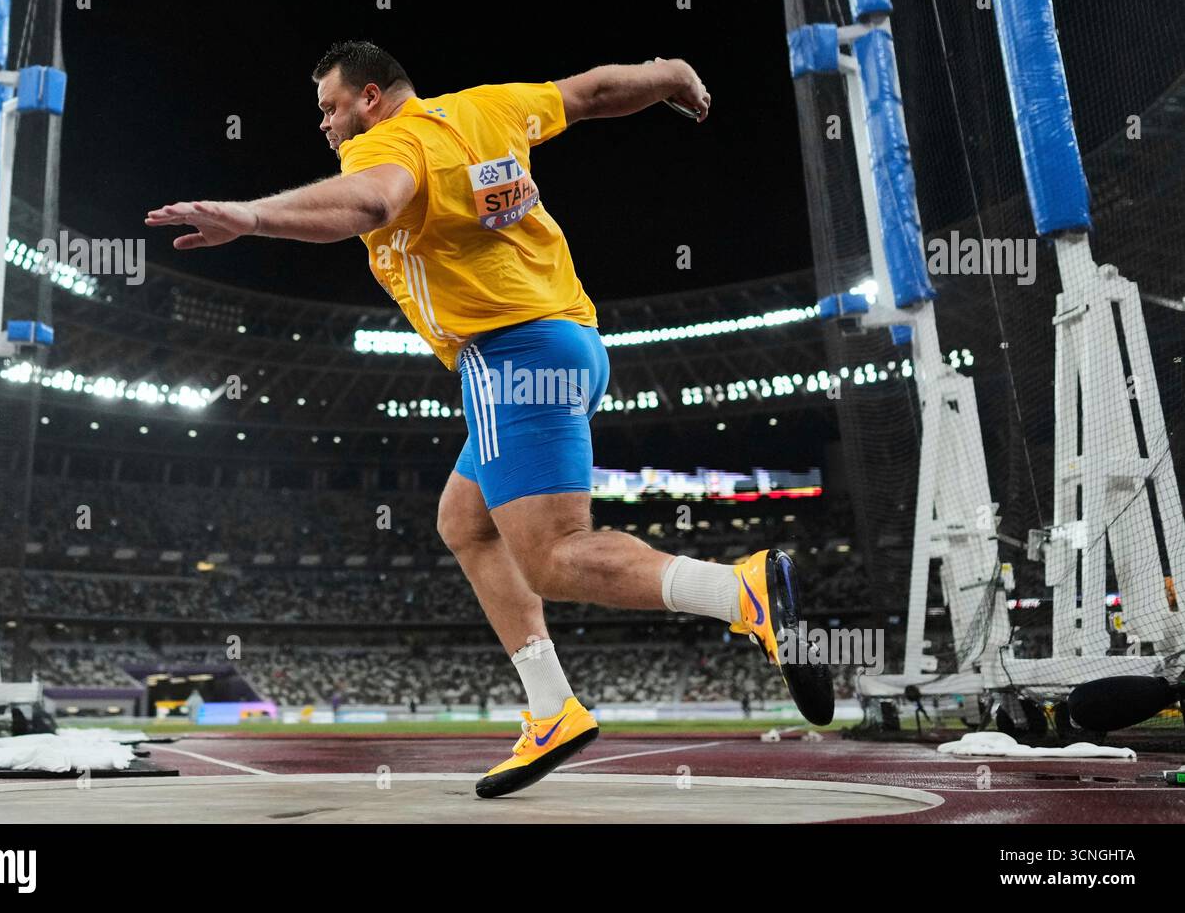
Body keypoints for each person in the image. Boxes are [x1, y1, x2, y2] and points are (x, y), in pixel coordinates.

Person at [147, 40, 808, 798]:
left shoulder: (388, 141)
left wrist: (251, 217)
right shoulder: (485, 108)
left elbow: (370, 202)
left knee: (554, 557)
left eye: (330, 108)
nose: (325, 126)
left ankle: (740, 593)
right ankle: (552, 707)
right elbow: (591, 92)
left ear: (369, 97)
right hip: (571, 343)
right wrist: (671, 75)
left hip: (507, 357)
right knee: (463, 520)